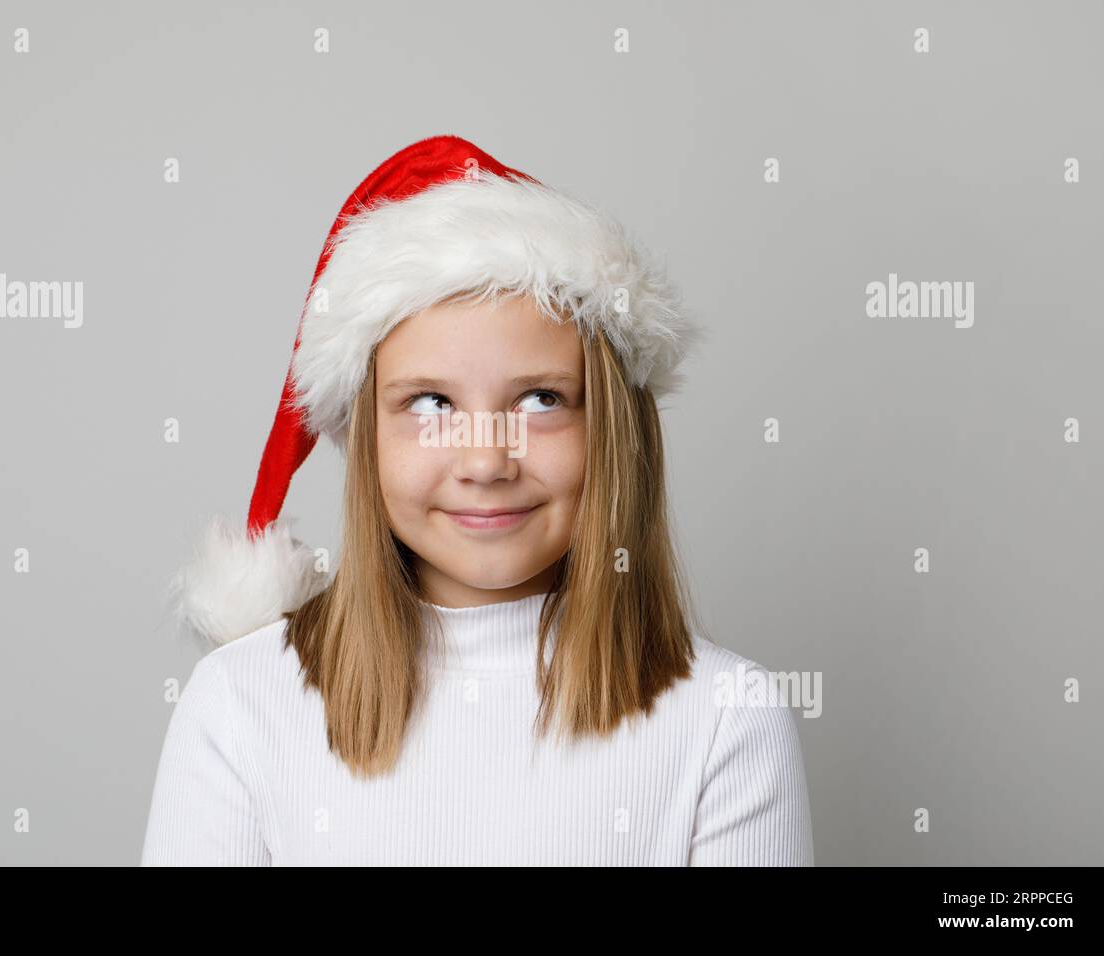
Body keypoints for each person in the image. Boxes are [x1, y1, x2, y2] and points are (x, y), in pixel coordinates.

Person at [141, 135, 815, 865]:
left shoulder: (725, 720)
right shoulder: (241, 706)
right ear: (366, 436)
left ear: (614, 431)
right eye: (430, 402)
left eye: (540, 399)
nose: (486, 460)